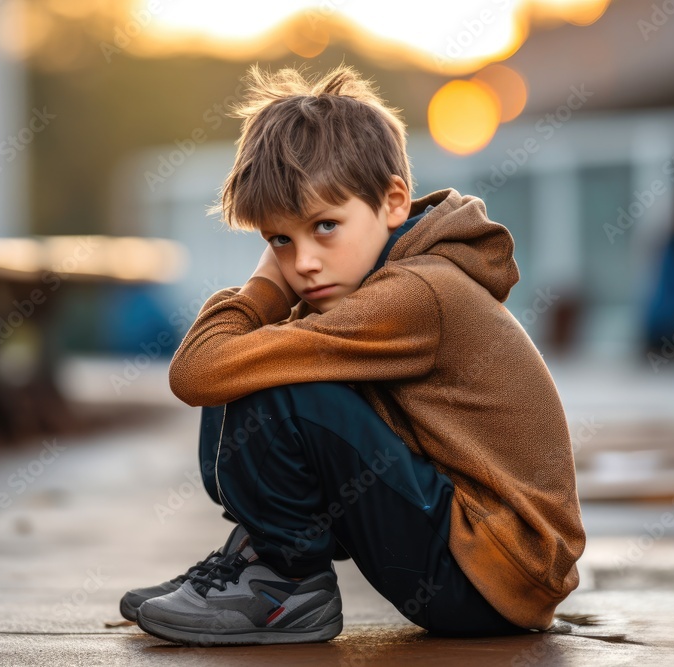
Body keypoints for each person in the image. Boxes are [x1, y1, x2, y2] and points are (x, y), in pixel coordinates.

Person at [121, 65, 586, 646]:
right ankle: (259, 560)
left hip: (487, 575)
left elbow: (194, 371)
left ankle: (285, 585)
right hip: (480, 563)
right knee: (251, 364)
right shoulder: (370, 278)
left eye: (325, 226)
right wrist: (277, 282)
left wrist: (265, 286)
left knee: (274, 378)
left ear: (393, 202)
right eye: (280, 240)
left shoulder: (416, 294)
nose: (304, 261)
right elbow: (211, 373)